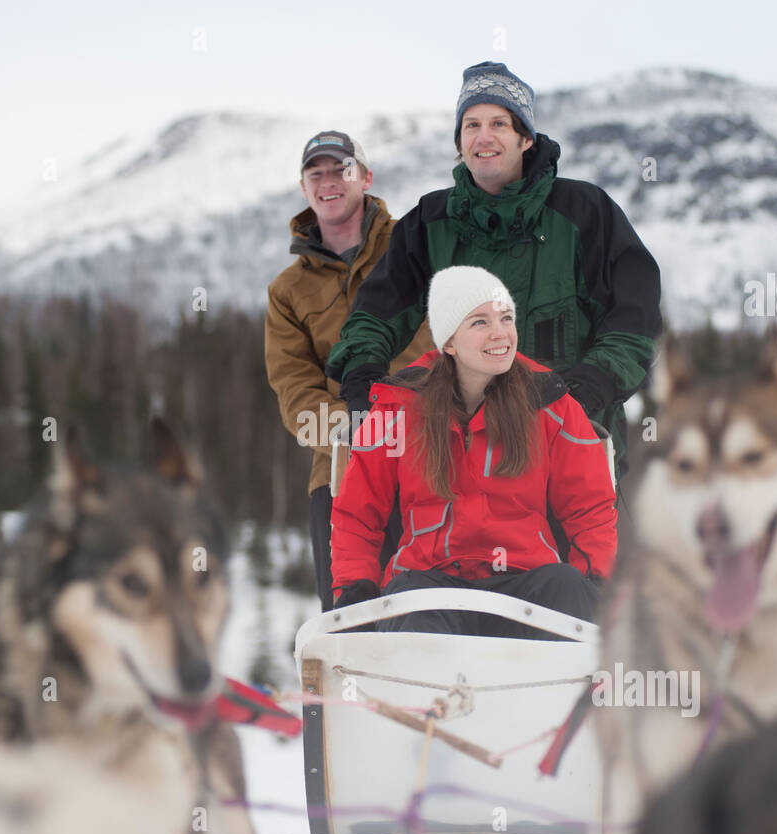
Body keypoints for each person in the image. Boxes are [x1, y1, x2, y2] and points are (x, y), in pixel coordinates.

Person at [325, 62, 662, 479]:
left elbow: (635, 321)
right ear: (459, 141)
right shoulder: (430, 223)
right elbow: (375, 315)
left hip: (570, 453)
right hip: (459, 460)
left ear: (525, 137)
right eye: (471, 125)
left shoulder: (586, 213)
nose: (483, 137)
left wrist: (588, 388)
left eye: (499, 123)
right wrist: (362, 383)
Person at [330, 266, 616, 637]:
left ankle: (565, 693)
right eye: (480, 322)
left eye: (506, 318)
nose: (500, 333)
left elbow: (589, 508)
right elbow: (357, 514)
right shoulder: (397, 409)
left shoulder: (550, 405)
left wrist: (596, 583)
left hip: (525, 586)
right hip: (431, 587)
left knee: (567, 587)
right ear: (448, 341)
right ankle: (421, 694)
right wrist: (356, 592)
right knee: (412, 613)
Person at [265, 132, 433, 612]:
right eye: (315, 173)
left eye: (341, 169)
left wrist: (407, 422)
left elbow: (447, 339)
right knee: (347, 625)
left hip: (429, 461)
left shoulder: (413, 248)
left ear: (366, 177)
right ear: (303, 188)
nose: (328, 181)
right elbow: (294, 388)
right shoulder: (287, 291)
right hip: (339, 475)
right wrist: (353, 430)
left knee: (435, 614)